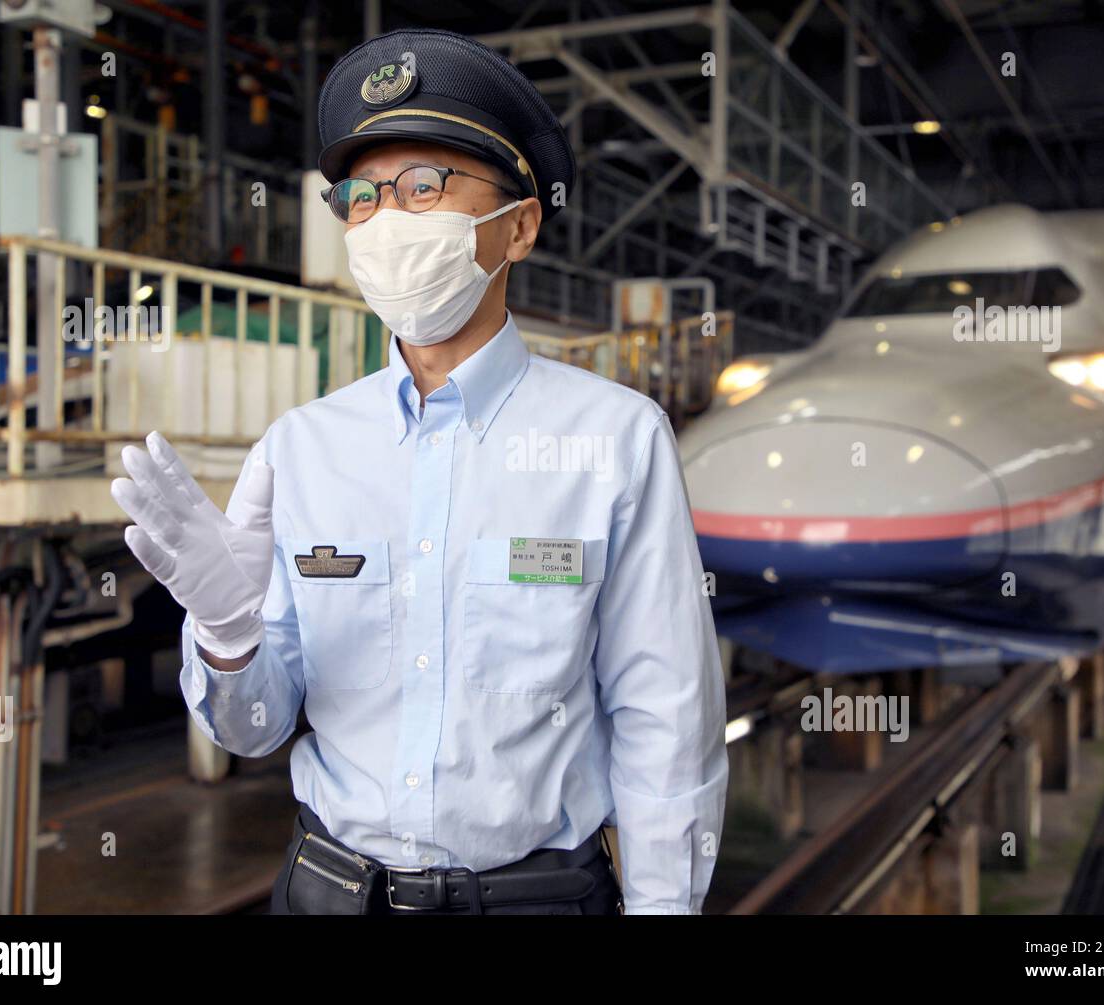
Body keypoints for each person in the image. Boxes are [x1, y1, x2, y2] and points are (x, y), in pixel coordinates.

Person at [111, 27, 728, 915]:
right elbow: (258, 728)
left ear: (517, 226)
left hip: (536, 901)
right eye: (361, 197)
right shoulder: (303, 447)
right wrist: (227, 635)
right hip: (327, 891)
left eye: (424, 186)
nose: (386, 219)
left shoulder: (616, 441)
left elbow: (665, 717)